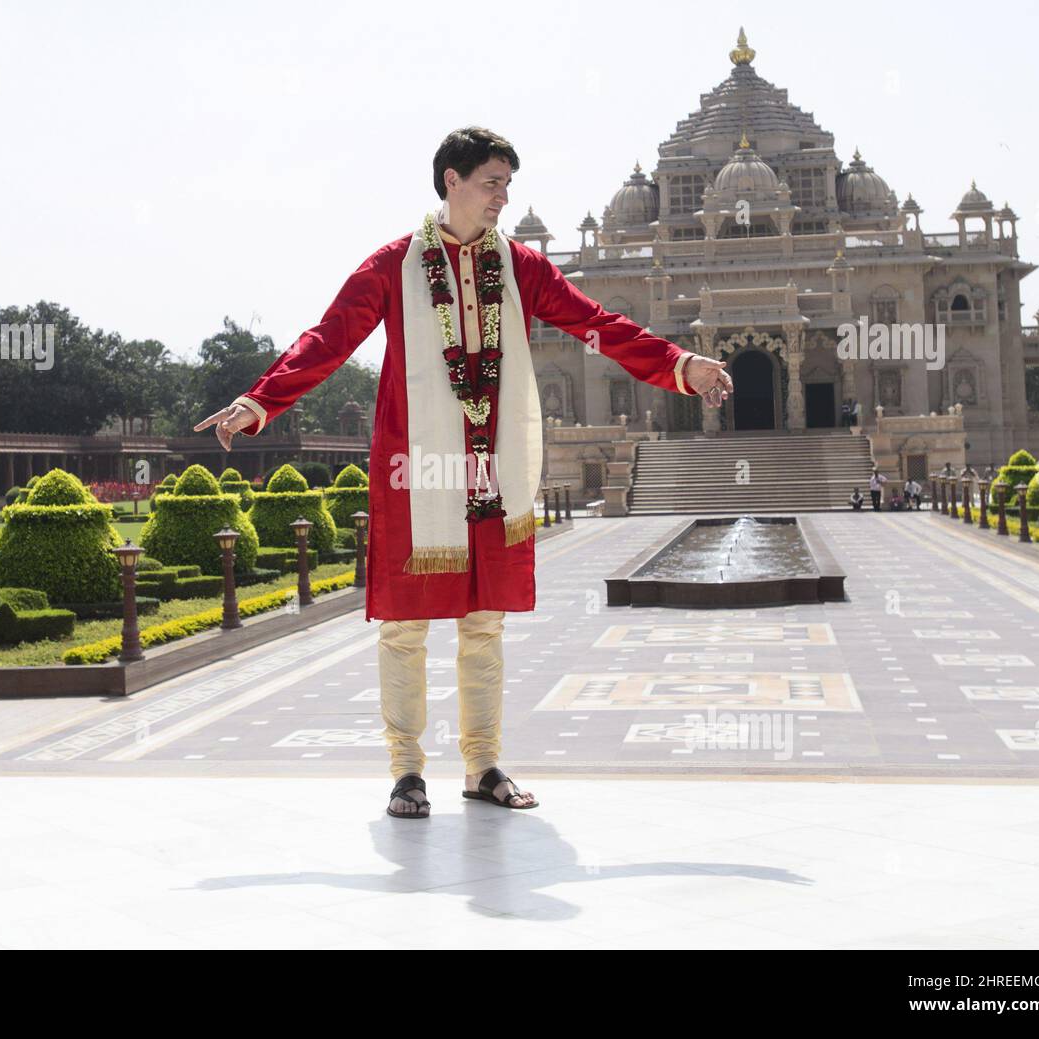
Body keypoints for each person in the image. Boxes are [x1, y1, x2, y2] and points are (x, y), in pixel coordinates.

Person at [194, 127, 733, 819]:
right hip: (417, 470)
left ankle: (482, 764)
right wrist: (259, 399)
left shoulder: (520, 267)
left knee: (485, 622)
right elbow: (328, 340)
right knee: (406, 626)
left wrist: (679, 364)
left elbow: (593, 323)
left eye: (508, 185)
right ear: (451, 180)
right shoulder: (393, 266)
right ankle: (407, 771)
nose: (503, 198)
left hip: (495, 465)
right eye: (492, 183)